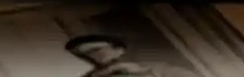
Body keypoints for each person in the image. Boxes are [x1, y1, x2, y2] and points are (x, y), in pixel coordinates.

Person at [64, 35, 201, 77]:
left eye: (97, 49)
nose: (93, 55)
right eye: (85, 54)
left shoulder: (160, 69)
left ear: (119, 50)